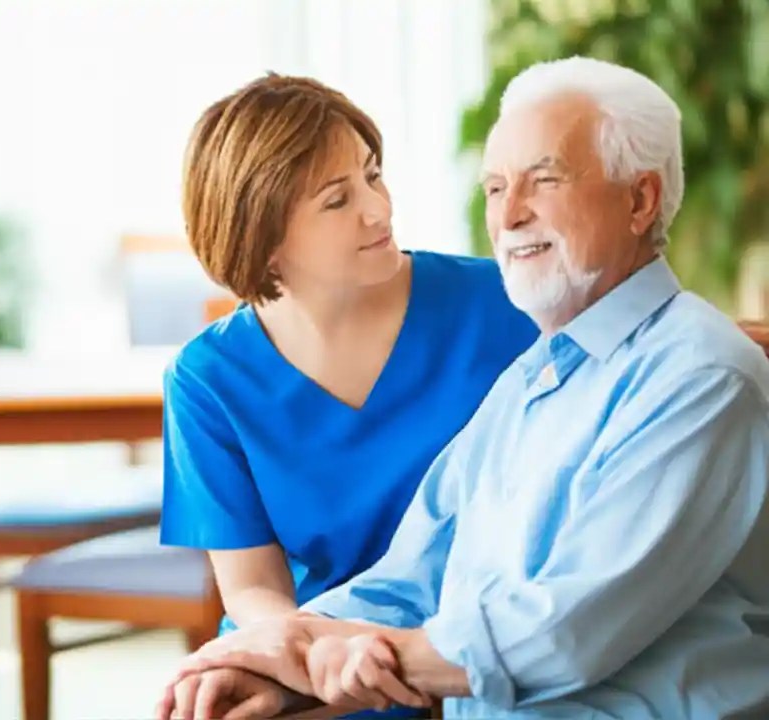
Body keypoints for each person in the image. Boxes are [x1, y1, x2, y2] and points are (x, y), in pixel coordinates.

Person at [158, 56, 769, 720]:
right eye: (496, 187)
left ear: (640, 200)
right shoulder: (535, 375)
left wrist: (355, 662)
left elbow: (561, 632)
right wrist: (279, 663)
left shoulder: (681, 368)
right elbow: (415, 572)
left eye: (544, 180)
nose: (510, 215)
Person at [160, 73, 538, 718]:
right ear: (263, 238)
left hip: (479, 653)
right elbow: (252, 589)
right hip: (314, 666)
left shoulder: (506, 304)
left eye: (373, 175)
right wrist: (312, 659)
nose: (379, 209)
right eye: (337, 200)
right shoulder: (208, 378)